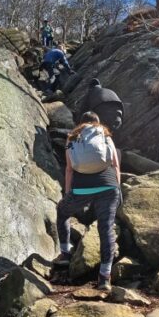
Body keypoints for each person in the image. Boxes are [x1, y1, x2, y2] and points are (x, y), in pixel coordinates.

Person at [53, 112, 122, 290]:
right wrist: (117, 187)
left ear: (80, 123)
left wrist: (68, 193)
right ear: (97, 123)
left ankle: (66, 253)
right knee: (105, 228)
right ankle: (105, 277)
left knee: (62, 212)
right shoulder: (104, 134)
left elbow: (69, 169)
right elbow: (114, 164)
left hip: (82, 188)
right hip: (108, 187)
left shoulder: (73, 137)